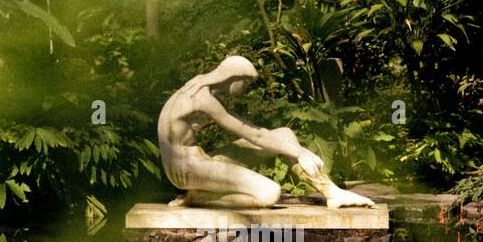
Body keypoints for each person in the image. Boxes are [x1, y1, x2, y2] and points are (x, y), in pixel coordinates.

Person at [157, 55, 373, 209]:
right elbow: (255, 135)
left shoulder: (200, 89)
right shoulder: (202, 98)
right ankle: (199, 198)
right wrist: (300, 153)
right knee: (270, 194)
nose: (247, 89)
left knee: (285, 134)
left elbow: (253, 130)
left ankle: (332, 192)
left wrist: (295, 148)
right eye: (247, 83)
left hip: (197, 161)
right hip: (185, 171)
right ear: (234, 78)